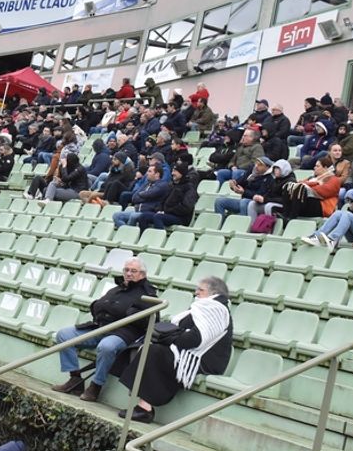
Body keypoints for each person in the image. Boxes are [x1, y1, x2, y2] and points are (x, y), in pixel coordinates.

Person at [114, 276, 232, 424]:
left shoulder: (216, 309)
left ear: (214, 292)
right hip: (188, 351)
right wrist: (172, 337)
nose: (196, 293)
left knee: (154, 352)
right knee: (143, 346)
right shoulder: (204, 307)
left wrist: (169, 338)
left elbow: (195, 339)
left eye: (200, 290)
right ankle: (141, 400)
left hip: (203, 360)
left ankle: (145, 409)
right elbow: (183, 333)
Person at [51, 258, 158, 403]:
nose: (129, 273)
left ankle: (96, 386)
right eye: (126, 270)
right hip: (99, 327)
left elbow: (152, 320)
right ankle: (75, 379)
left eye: (133, 271)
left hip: (123, 333)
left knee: (106, 346)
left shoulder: (148, 293)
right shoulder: (117, 288)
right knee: (64, 335)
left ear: (142, 275)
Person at [112, 164, 170, 229]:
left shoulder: (162, 185)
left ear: (157, 174)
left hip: (149, 212)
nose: (147, 173)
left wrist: (142, 195)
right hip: (137, 210)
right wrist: (145, 197)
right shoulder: (146, 184)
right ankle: (127, 232)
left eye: (150, 171)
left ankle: (129, 234)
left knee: (133, 216)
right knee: (116, 216)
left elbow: (150, 194)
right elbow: (134, 198)